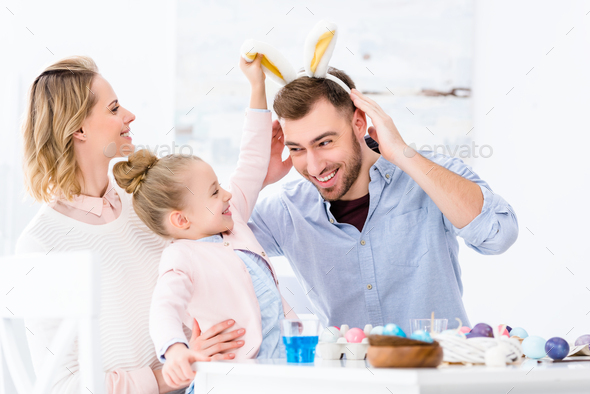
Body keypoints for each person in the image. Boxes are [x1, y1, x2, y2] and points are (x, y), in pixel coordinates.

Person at [16, 56, 246, 394]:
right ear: (78, 129)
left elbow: (212, 242)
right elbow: (61, 386)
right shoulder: (40, 244)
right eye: (113, 109)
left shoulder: (143, 205)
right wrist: (170, 375)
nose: (129, 116)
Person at [250, 67, 519, 333]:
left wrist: (403, 154)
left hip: (436, 372)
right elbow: (214, 252)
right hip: (348, 373)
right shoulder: (287, 210)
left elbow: (499, 235)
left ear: (358, 123)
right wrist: (255, 177)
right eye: (297, 149)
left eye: (325, 143)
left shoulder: (429, 174)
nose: (314, 166)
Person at [111, 54, 296, 391]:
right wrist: (175, 349)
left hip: (278, 372)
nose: (226, 194)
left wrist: (257, 86)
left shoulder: (232, 220)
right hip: (228, 381)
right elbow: (165, 306)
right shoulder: (181, 257)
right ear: (181, 220)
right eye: (213, 192)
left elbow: (252, 161)